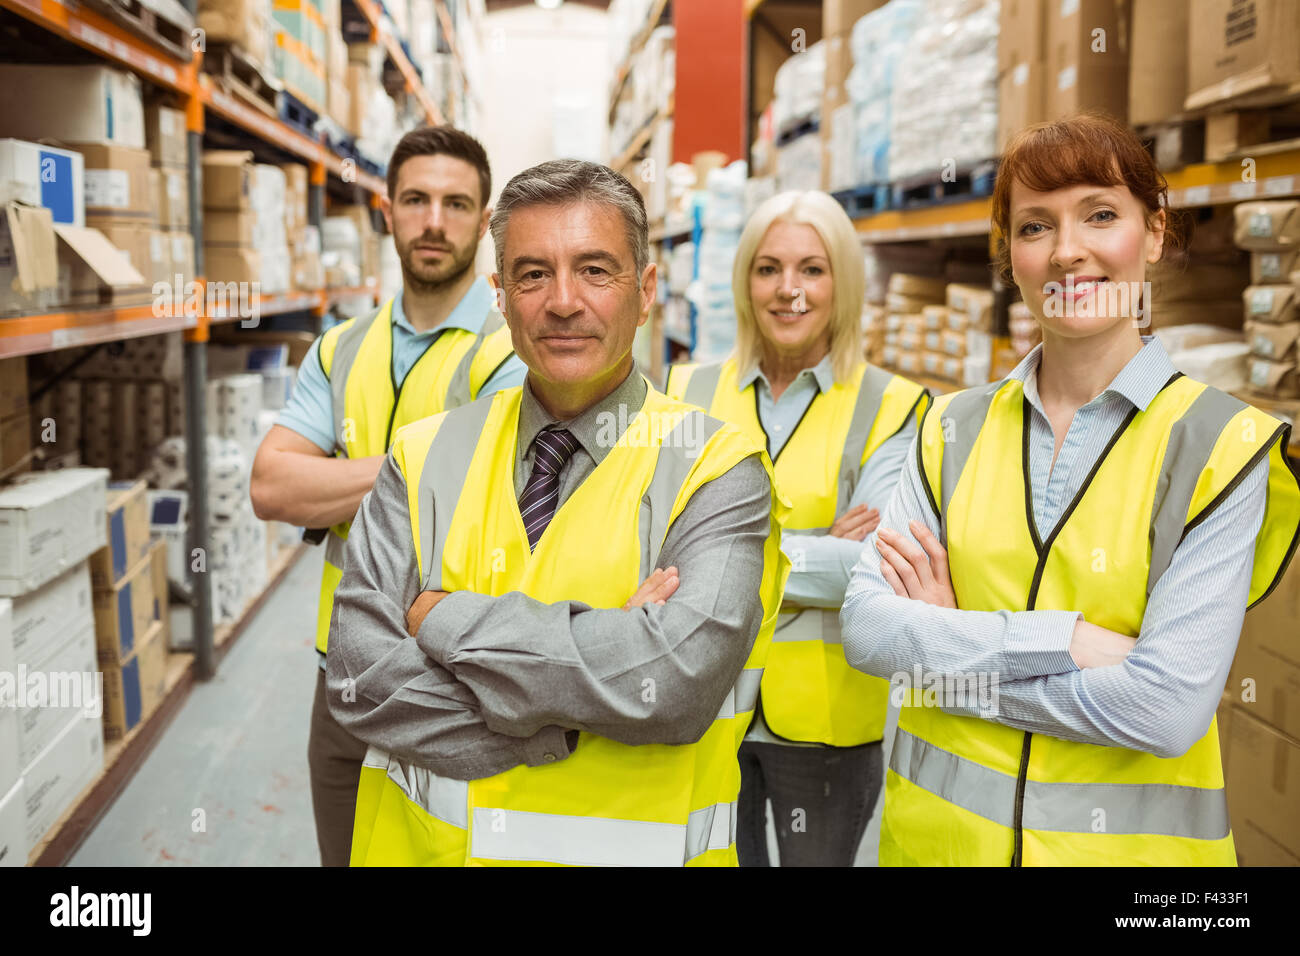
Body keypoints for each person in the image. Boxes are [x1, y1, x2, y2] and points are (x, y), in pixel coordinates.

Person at [841, 112, 1300, 867]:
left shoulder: (1221, 447)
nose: (1067, 253)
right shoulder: (949, 428)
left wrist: (944, 652)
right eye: (1034, 227)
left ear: (1153, 233)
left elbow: (1164, 710)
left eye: (1100, 215)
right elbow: (867, 628)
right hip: (938, 851)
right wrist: (1070, 643)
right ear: (1010, 254)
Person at [325, 159, 790, 867]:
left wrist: (441, 619)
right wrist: (564, 716)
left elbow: (672, 682)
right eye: (533, 274)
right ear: (502, 297)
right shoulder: (420, 458)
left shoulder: (717, 467)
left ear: (647, 291)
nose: (563, 301)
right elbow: (358, 681)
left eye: (596, 270)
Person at [249, 126, 526, 867]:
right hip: (340, 674)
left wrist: (336, 482)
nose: (434, 220)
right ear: (387, 210)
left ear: (484, 220)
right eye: (416, 199)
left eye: (456, 203)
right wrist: (422, 470)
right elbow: (272, 485)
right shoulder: (341, 348)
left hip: (453, 683)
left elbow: (489, 498)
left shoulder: (514, 353)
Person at [665, 190, 928, 866]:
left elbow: (875, 566)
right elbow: (656, 544)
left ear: (842, 282)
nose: (789, 291)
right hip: (704, 701)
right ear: (744, 281)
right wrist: (820, 551)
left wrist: (717, 554)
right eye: (768, 268)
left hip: (826, 722)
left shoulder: (895, 406)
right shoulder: (686, 390)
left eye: (812, 269)